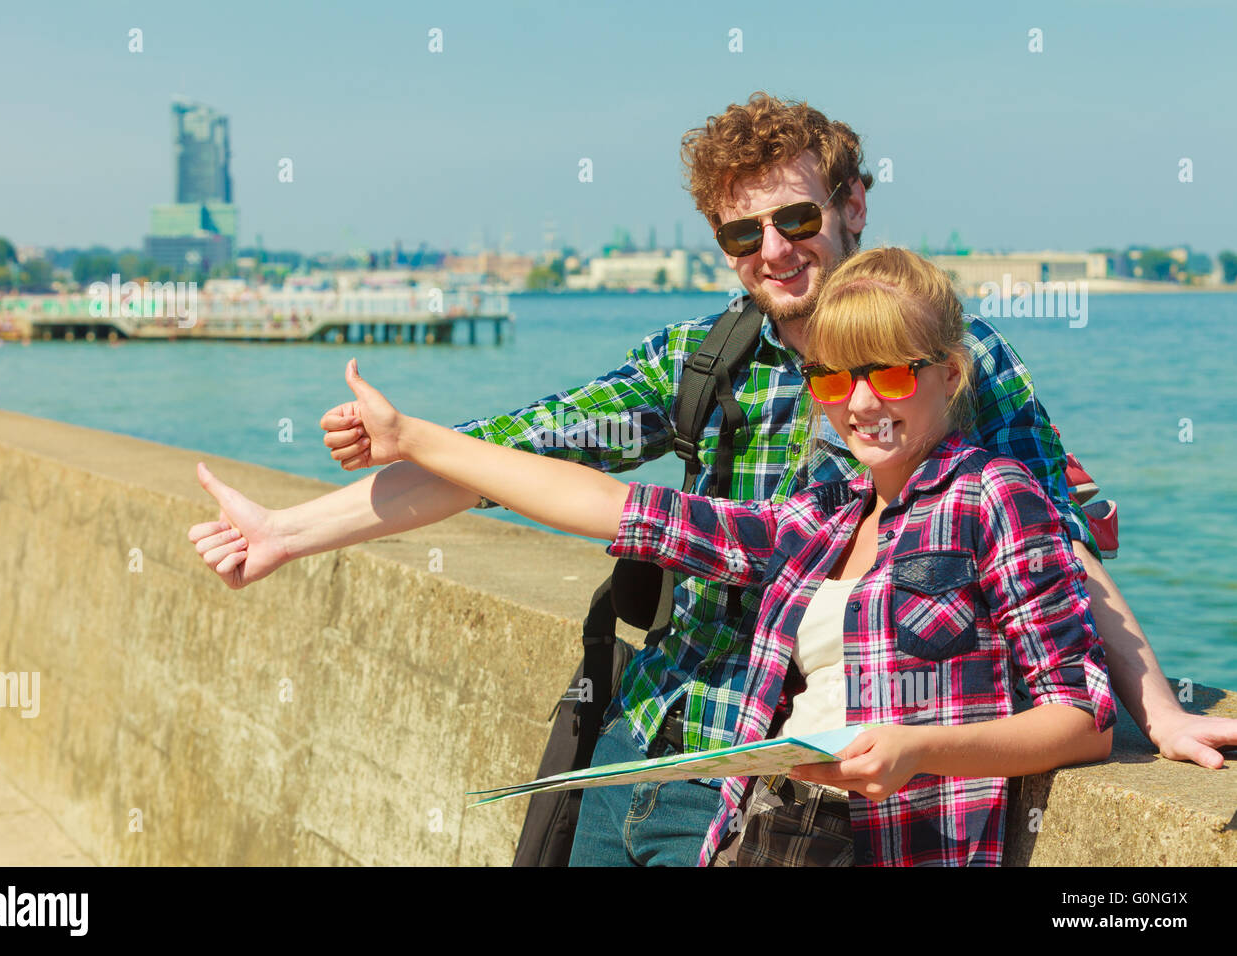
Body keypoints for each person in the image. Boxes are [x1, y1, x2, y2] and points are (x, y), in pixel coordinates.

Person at [188, 92, 1233, 866]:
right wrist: (286, 532)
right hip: (643, 745)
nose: (773, 250)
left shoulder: (947, 358)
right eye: (743, 233)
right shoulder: (706, 368)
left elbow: (1050, 542)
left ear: (852, 202)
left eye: (796, 220)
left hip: (767, 788)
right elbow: (523, 464)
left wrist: (1154, 703)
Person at [311, 246, 1117, 866]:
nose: (863, 404)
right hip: (768, 835)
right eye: (834, 383)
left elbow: (1080, 720)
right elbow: (623, 510)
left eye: (891, 375)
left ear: (947, 373)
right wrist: (412, 438)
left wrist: (916, 750)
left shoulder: (995, 497)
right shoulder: (823, 516)